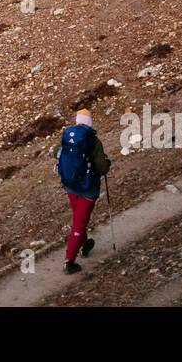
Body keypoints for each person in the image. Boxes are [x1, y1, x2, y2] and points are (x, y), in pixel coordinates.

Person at [55, 109, 112, 274]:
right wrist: (107, 162)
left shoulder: (68, 136)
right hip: (88, 189)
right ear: (90, 123)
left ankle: (84, 245)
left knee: (79, 218)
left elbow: (55, 152)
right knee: (79, 224)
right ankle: (69, 261)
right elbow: (102, 168)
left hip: (70, 186)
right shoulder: (93, 141)